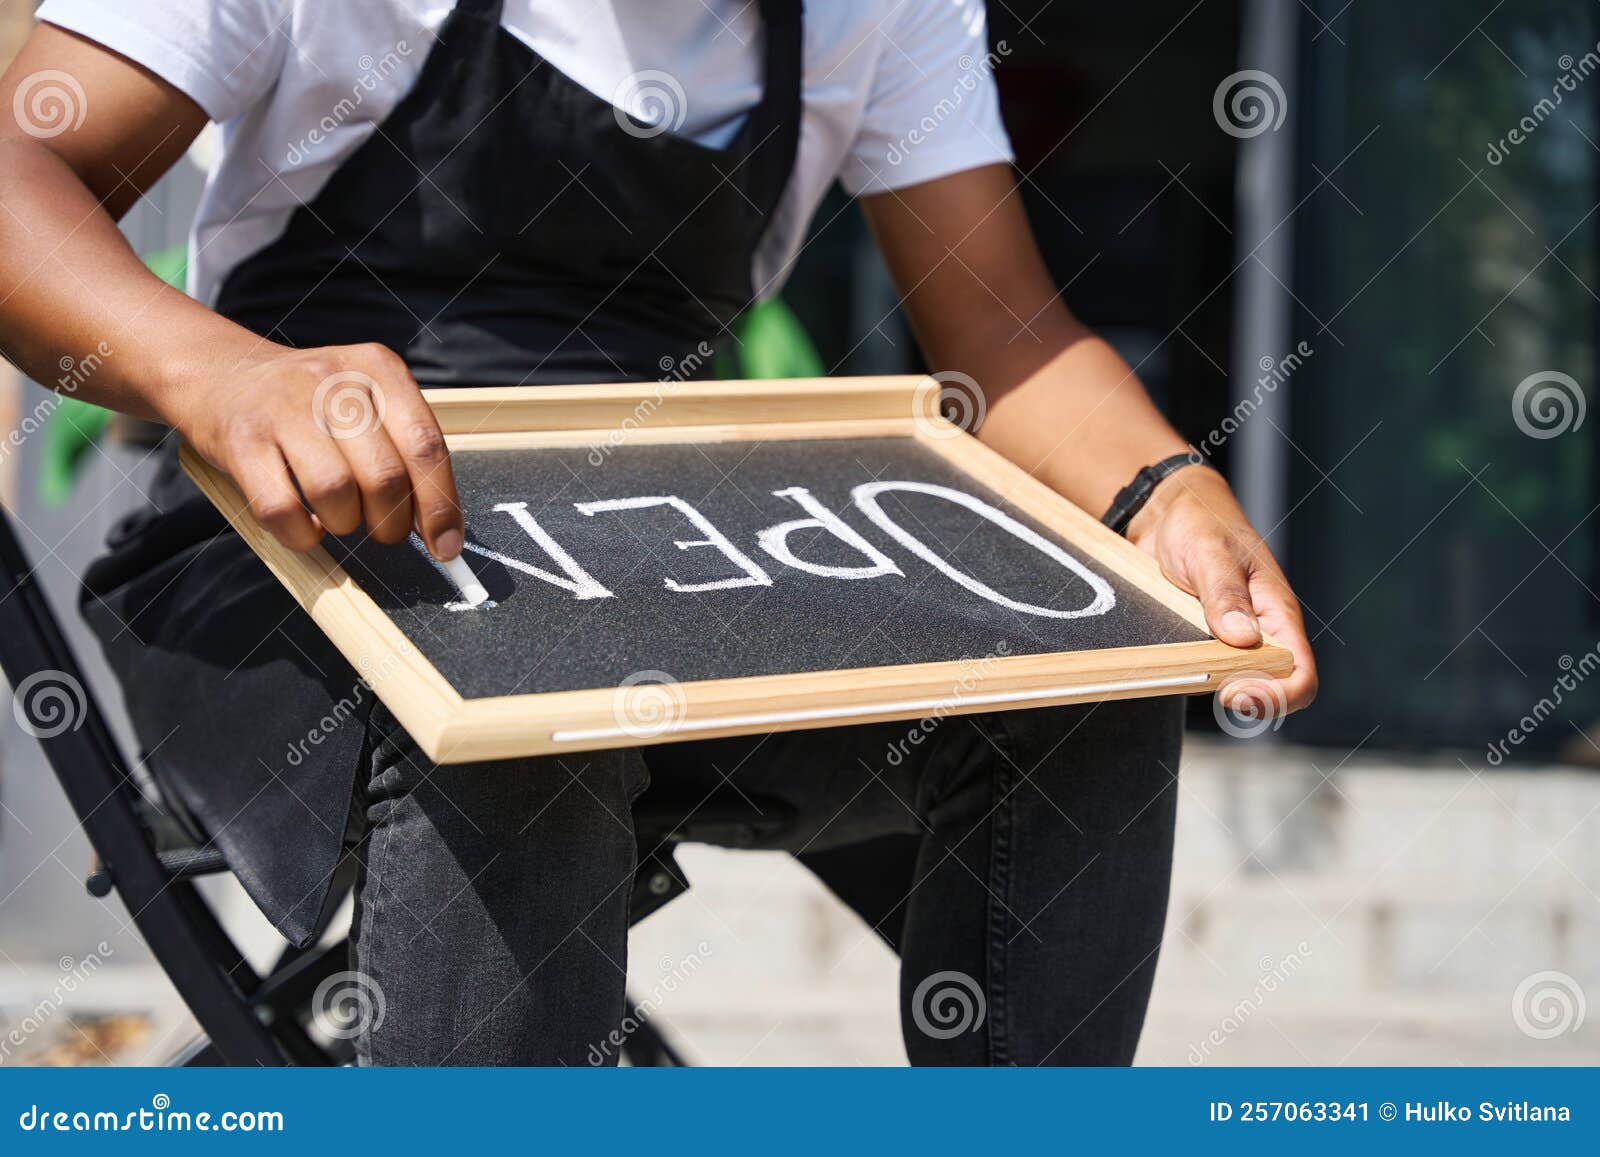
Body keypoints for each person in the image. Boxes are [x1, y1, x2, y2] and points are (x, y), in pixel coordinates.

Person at [0, 0, 1316, 1065]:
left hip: (664, 549)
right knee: (533, 705)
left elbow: (1009, 339)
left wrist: (1162, 491)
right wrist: (212, 373)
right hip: (284, 543)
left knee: (1099, 672)